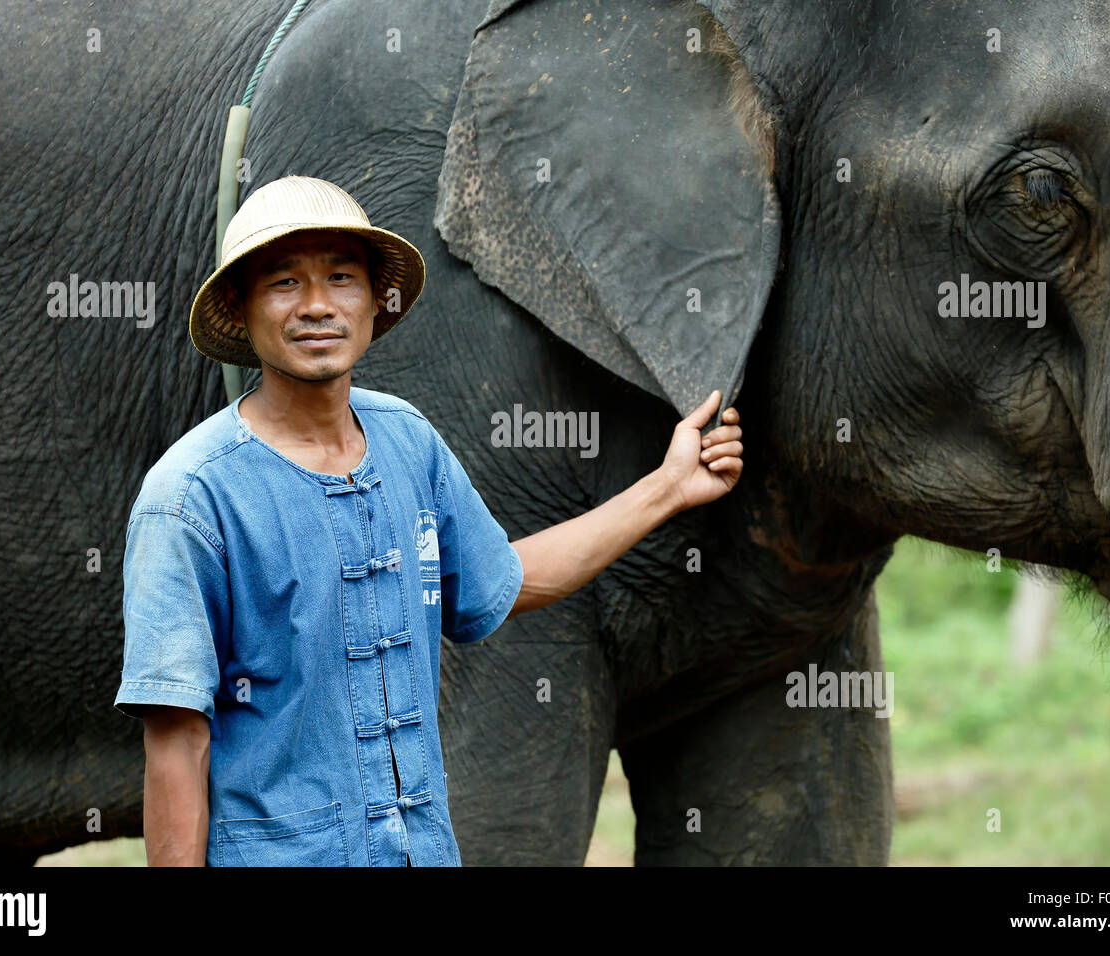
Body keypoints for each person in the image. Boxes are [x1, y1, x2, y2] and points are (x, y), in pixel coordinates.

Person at [114, 176, 744, 866]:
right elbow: (177, 739)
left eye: (342, 278)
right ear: (241, 305)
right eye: (285, 282)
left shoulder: (408, 443)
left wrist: (668, 487)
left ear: (373, 301)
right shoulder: (192, 495)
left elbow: (506, 580)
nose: (318, 305)